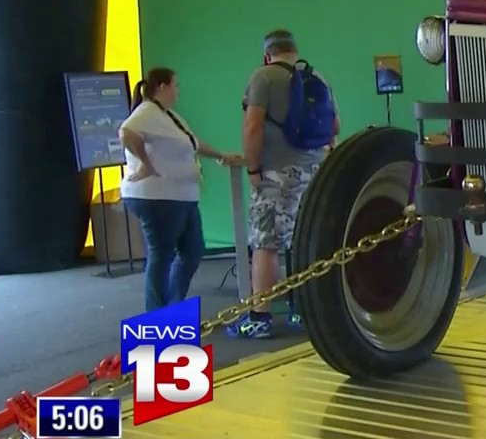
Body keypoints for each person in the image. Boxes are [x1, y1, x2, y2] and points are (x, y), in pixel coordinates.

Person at [228, 30, 340, 339]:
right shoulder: (316, 76)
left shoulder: (263, 77)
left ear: (267, 54)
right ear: (294, 50)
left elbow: (252, 127)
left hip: (276, 174)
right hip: (315, 172)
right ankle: (303, 310)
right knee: (304, 240)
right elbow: (335, 126)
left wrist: (253, 168)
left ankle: (259, 318)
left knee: (266, 244)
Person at [119, 67, 239, 311]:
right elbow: (126, 133)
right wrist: (145, 163)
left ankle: (171, 306)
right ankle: (157, 314)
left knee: (193, 250)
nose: (178, 90)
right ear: (162, 87)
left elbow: (192, 142)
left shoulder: (169, 116)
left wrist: (220, 155)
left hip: (180, 196)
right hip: (159, 197)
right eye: (176, 85)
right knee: (162, 255)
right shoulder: (147, 112)